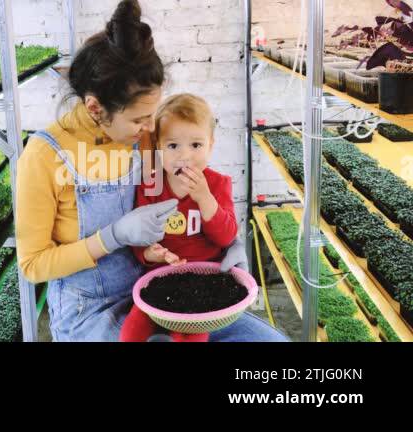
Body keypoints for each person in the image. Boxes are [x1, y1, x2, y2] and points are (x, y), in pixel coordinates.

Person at [15, 0, 288, 342]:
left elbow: (187, 194)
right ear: (95, 108)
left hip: (155, 285)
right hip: (90, 310)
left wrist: (228, 243)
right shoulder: (43, 156)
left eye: (152, 115)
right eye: (138, 119)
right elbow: (33, 264)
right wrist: (111, 237)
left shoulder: (139, 138)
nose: (149, 128)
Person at [120, 94, 238, 342]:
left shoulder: (217, 184)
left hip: (205, 278)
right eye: (173, 146)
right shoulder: (151, 185)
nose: (185, 156)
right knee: (132, 330)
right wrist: (151, 254)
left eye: (196, 145)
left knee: (191, 335)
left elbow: (226, 237)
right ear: (158, 148)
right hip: (161, 277)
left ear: (211, 145)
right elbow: (139, 236)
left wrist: (205, 198)